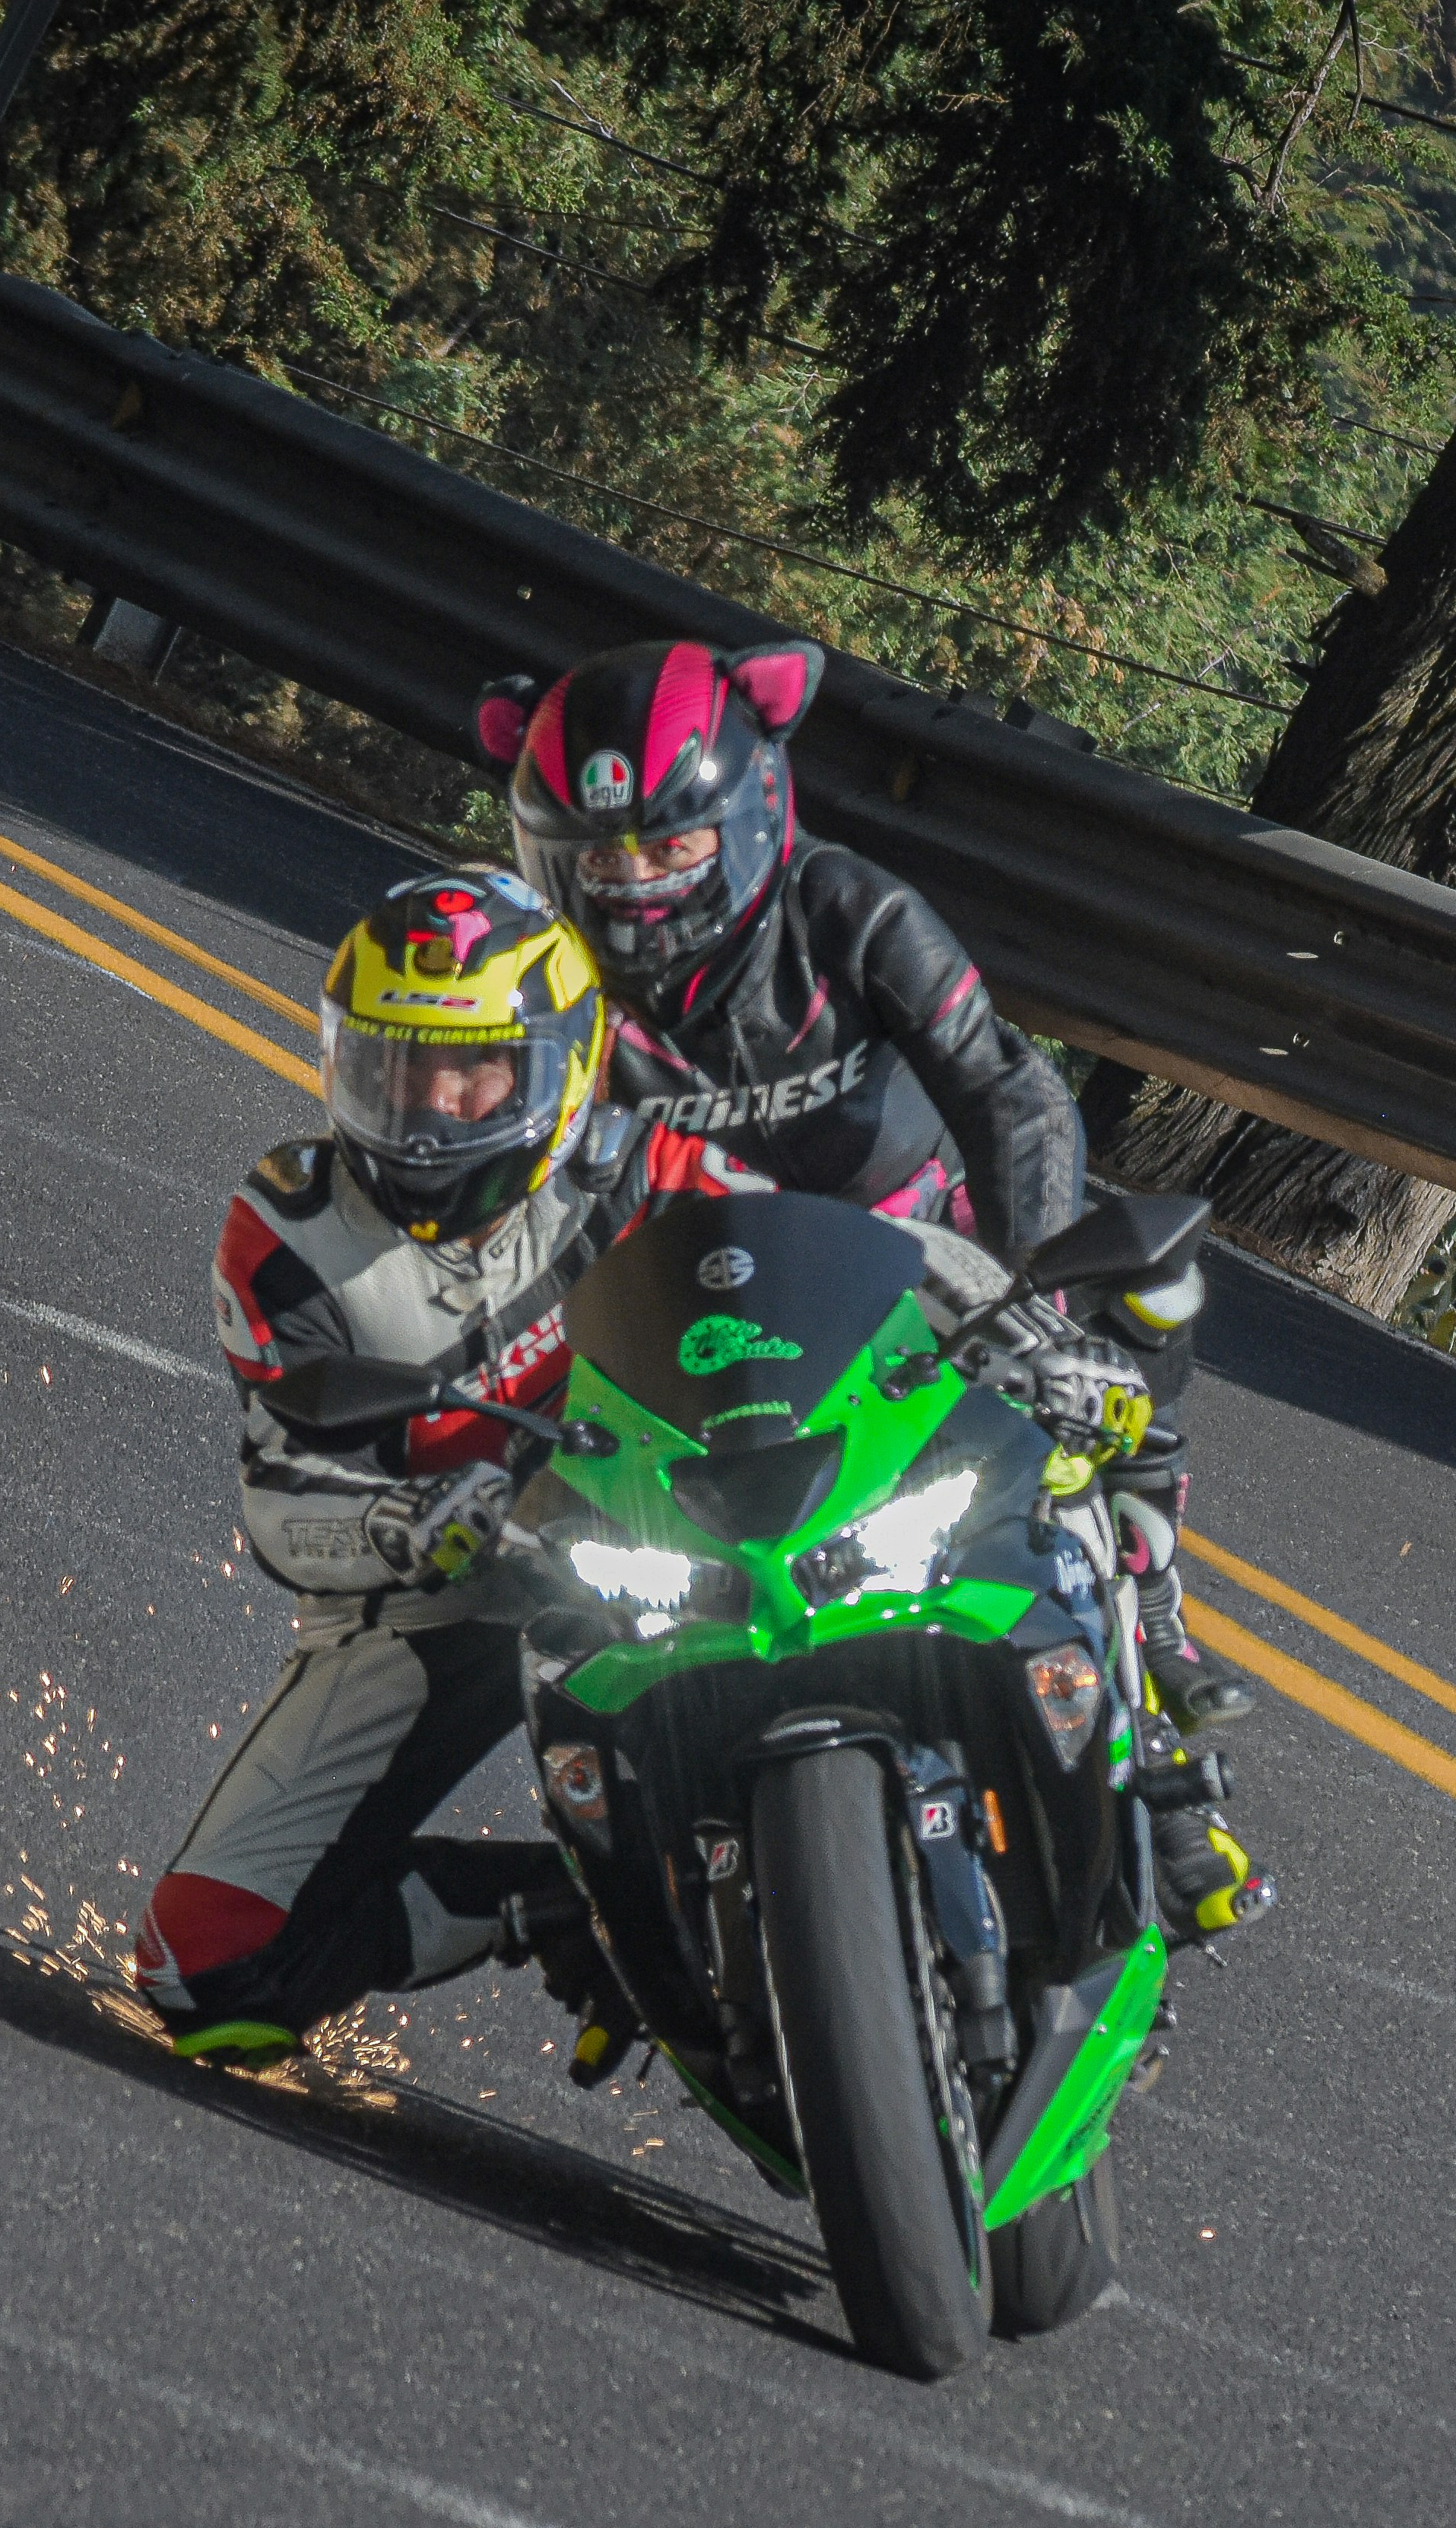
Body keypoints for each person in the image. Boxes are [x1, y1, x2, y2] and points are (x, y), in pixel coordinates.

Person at [476, 638, 1267, 1930]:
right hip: (690, 1322)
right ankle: (616, 1880)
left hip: (918, 1271)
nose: (634, 886)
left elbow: (1014, 1095)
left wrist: (1043, 1310)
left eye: (668, 849)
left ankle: (1151, 1640)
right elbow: (512, 1185)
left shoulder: (850, 909)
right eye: (600, 861)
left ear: (745, 815)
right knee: (554, 1573)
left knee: (1143, 1306)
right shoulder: (551, 988)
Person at [132, 871, 766, 2064]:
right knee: (204, 1972)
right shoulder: (287, 1233)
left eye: (472, 1070)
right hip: (454, 1579)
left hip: (706, 1525)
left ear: (562, 1062)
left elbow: (852, 1256)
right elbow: (280, 1489)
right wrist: (412, 1524)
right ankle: (560, 1907)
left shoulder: (658, 1154)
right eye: (395, 1067)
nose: (428, 1110)